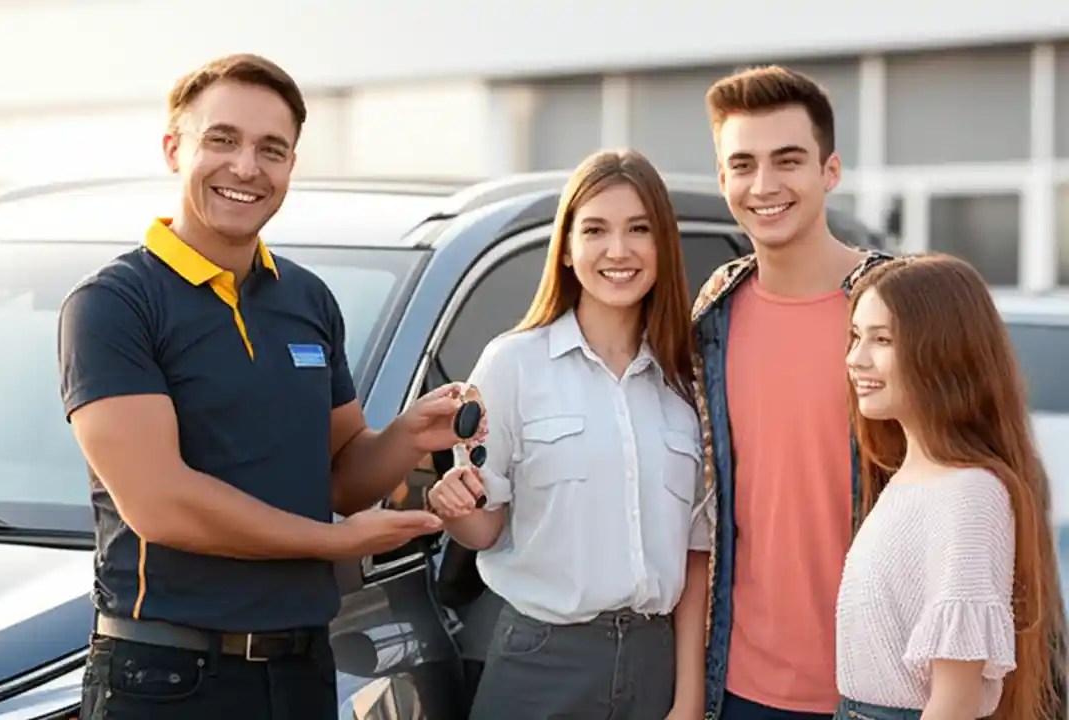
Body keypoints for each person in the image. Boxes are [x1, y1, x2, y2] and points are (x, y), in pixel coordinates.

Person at [57, 53, 483, 720]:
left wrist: (406, 436)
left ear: (290, 166)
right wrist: (335, 542)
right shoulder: (116, 304)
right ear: (175, 149)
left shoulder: (307, 299)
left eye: (271, 149)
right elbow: (161, 505)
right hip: (167, 679)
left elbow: (343, 478)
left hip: (302, 672)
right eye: (221, 140)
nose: (247, 168)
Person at [429, 148, 712, 720]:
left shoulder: (687, 380)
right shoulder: (512, 364)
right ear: (566, 247)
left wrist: (688, 698)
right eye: (596, 230)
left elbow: (695, 552)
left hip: (656, 664)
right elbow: (484, 527)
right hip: (542, 661)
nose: (618, 250)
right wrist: (450, 505)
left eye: (639, 229)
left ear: (663, 245)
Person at [689, 65, 893, 719]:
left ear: (829, 171)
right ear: (723, 180)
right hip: (741, 686)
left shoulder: (902, 307)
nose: (764, 185)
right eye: (742, 164)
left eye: (788, 160)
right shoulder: (714, 314)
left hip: (884, 687)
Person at [837, 253, 1066, 720]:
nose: (855, 359)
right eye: (856, 336)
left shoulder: (968, 493)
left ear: (942, 351)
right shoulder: (909, 477)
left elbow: (956, 699)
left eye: (882, 340)